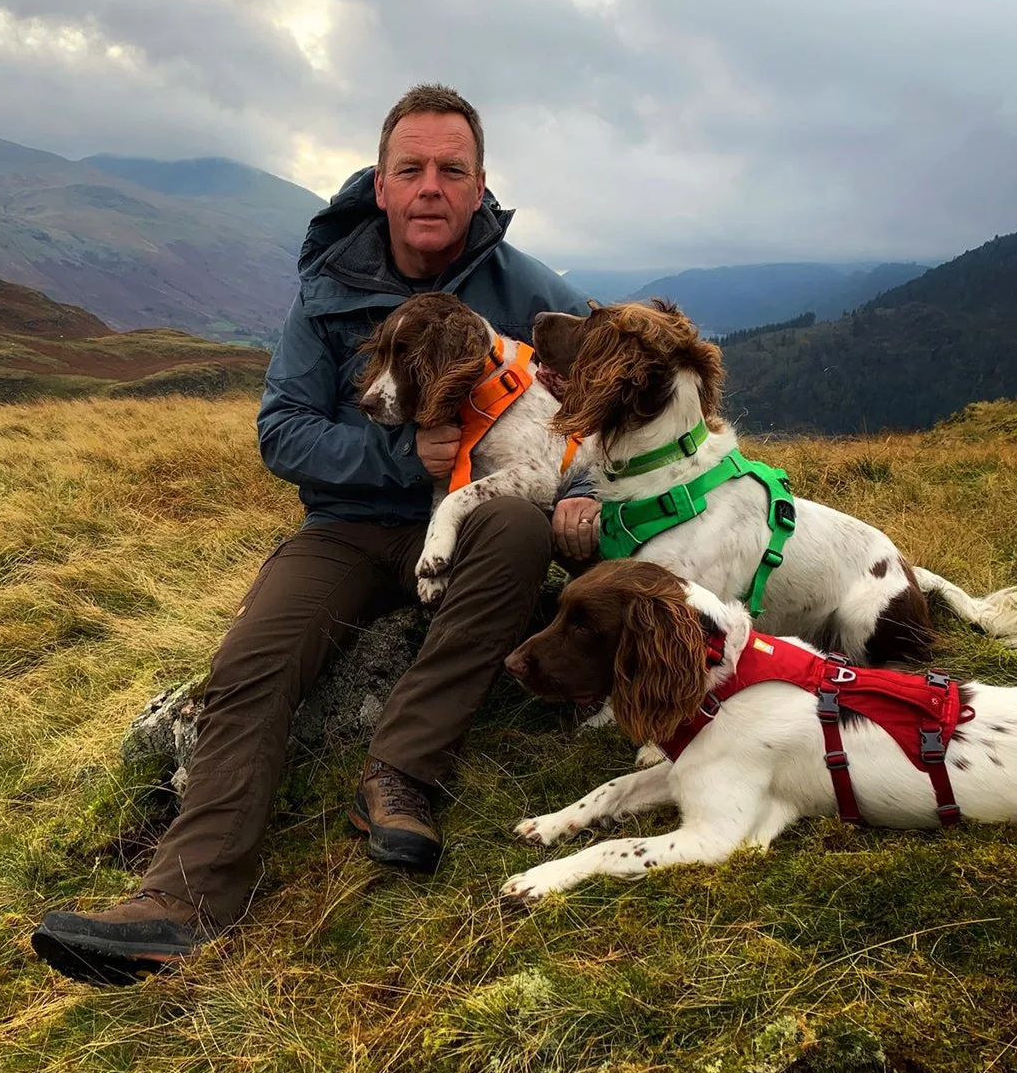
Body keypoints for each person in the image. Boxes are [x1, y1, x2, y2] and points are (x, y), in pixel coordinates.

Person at [32, 84, 598, 985]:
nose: (430, 187)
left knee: (518, 531)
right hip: (345, 527)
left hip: (482, 524)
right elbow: (282, 429)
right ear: (379, 184)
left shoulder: (531, 293)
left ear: (481, 185)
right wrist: (401, 461)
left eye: (452, 170)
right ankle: (181, 900)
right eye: (410, 168)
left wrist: (588, 491)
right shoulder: (328, 291)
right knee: (259, 654)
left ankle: (401, 777)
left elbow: (606, 401)